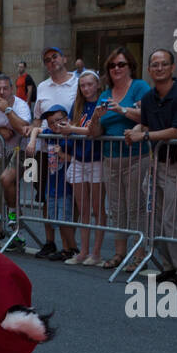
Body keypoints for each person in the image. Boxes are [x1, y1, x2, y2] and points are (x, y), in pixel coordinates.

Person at [124, 48, 177, 283]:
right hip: (155, 163)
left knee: (169, 219)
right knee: (153, 218)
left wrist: (144, 137)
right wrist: (135, 130)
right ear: (149, 70)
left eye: (164, 64)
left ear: (172, 68)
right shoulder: (148, 98)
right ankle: (168, 266)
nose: (159, 68)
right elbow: (145, 125)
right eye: (155, 65)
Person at [93, 46, 151, 270]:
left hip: (137, 156)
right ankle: (119, 253)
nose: (116, 69)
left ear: (130, 67)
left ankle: (139, 255)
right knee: (116, 208)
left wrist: (121, 110)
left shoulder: (139, 87)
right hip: (111, 157)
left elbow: (148, 115)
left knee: (135, 207)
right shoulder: (105, 94)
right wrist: (96, 119)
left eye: (121, 64)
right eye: (112, 65)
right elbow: (96, 132)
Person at [31, 47, 79, 257]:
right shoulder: (42, 86)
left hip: (73, 149)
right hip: (47, 149)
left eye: (55, 57)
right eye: (47, 60)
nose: (52, 62)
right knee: (47, 195)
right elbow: (37, 119)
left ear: (64, 58)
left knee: (71, 198)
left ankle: (71, 246)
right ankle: (50, 242)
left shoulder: (78, 82)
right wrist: (33, 134)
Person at [60, 71, 106, 264]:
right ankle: (83, 251)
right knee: (83, 208)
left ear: (97, 85)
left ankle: (96, 253)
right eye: (83, 85)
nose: (86, 88)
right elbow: (71, 125)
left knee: (97, 208)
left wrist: (71, 129)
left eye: (89, 84)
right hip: (78, 159)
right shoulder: (77, 106)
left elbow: (95, 131)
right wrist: (66, 128)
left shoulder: (102, 104)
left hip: (96, 159)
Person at [0, 71, 32, 241]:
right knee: (5, 189)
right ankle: (14, 232)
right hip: (0, 151)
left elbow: (23, 129)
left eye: (5, 89)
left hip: (23, 151)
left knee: (6, 180)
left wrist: (8, 111)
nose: (1, 93)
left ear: (12, 89)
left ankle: (12, 216)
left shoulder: (21, 105)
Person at [26, 106, 77, 258]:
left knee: (64, 218)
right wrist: (32, 142)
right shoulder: (49, 133)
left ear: (66, 120)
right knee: (54, 217)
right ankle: (65, 248)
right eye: (51, 122)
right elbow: (36, 130)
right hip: (52, 183)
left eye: (58, 121)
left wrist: (61, 153)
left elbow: (76, 159)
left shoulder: (71, 135)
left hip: (65, 184)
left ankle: (69, 249)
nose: (55, 125)